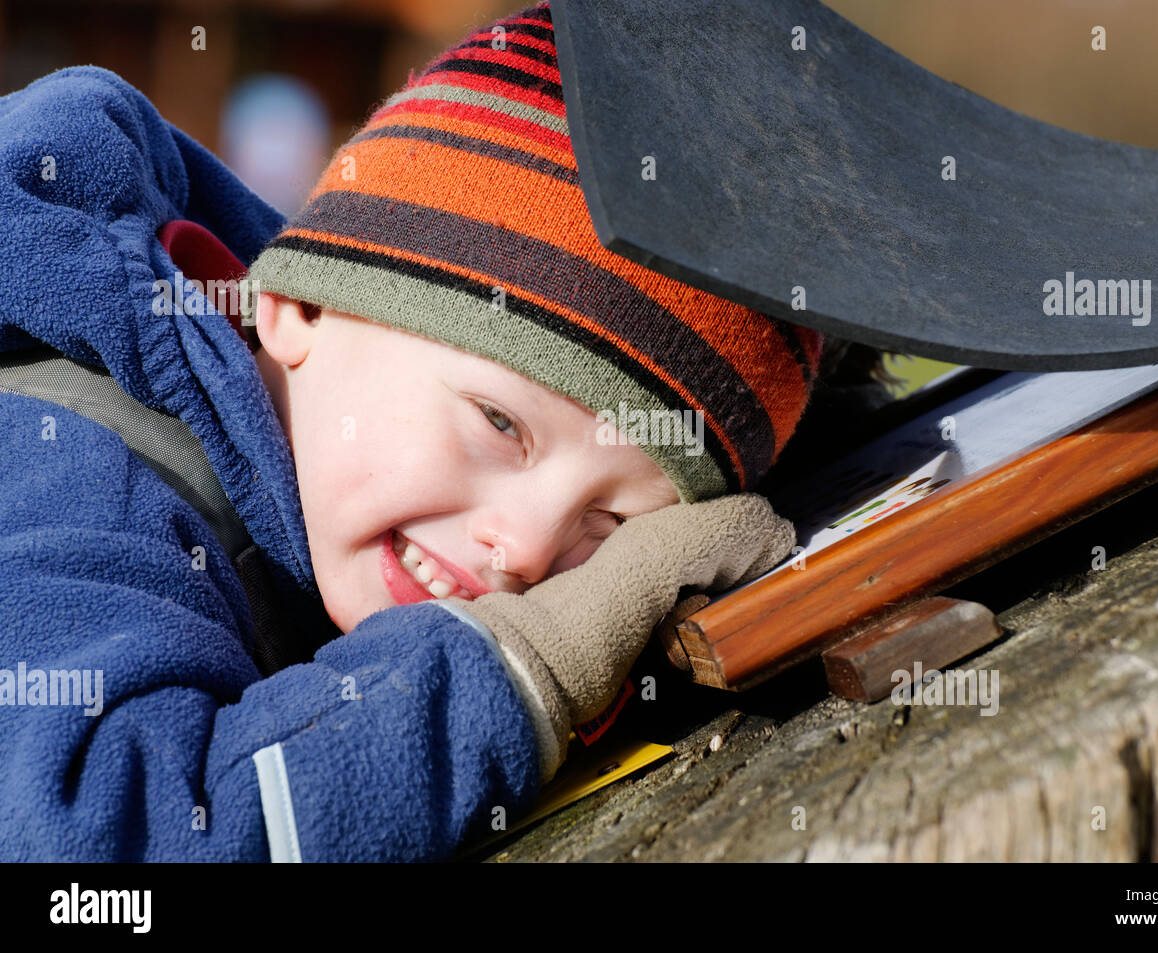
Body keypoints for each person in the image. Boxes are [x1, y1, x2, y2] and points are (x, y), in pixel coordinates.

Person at [0, 2, 820, 860]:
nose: (528, 550)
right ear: (298, 306)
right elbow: (112, 844)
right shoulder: (74, 474)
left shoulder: (312, 477)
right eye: (500, 423)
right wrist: (520, 665)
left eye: (609, 527)